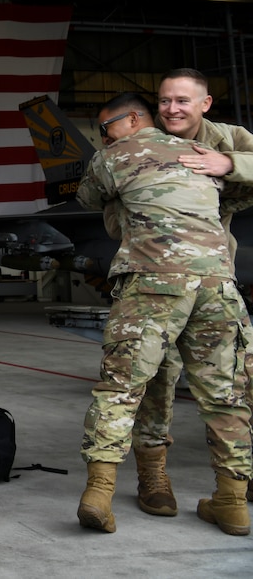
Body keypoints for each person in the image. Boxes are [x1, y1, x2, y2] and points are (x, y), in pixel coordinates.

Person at [75, 92, 252, 536]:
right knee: (226, 396)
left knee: (120, 388)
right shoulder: (204, 154)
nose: (103, 137)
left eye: (105, 128)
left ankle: (98, 494)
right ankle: (232, 504)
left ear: (132, 120)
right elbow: (226, 201)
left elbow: (85, 197)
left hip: (153, 284)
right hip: (217, 285)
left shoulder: (114, 155)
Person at [127, 68, 253, 513]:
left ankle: (238, 482)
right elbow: (108, 202)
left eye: (182, 101)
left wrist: (231, 165)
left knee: (233, 384)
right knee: (155, 382)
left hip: (215, 286)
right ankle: (153, 477)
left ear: (205, 103)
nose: (172, 109)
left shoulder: (232, 139)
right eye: (164, 101)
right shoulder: (144, 144)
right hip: (156, 284)